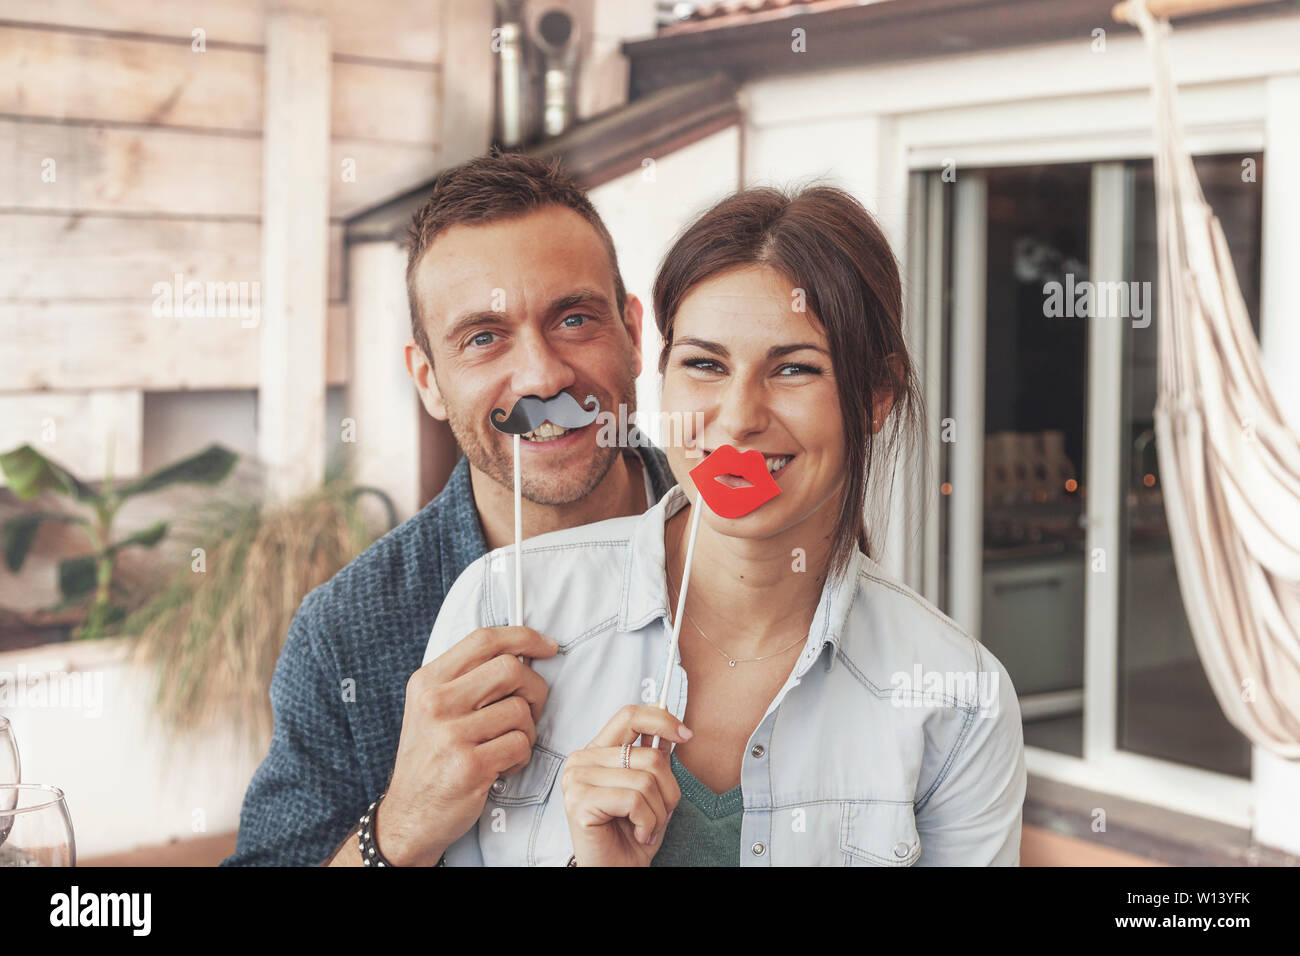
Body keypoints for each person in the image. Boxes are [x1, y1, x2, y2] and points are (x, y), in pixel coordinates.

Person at [421, 184, 1026, 866]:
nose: (738, 417)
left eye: (794, 368)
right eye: (705, 365)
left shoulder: (958, 700)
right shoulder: (502, 606)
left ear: (875, 397)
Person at [222, 149, 676, 866]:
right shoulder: (345, 634)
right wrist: (402, 823)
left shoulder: (752, 540)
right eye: (484, 337)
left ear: (633, 332)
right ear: (428, 380)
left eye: (575, 319)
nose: (541, 376)